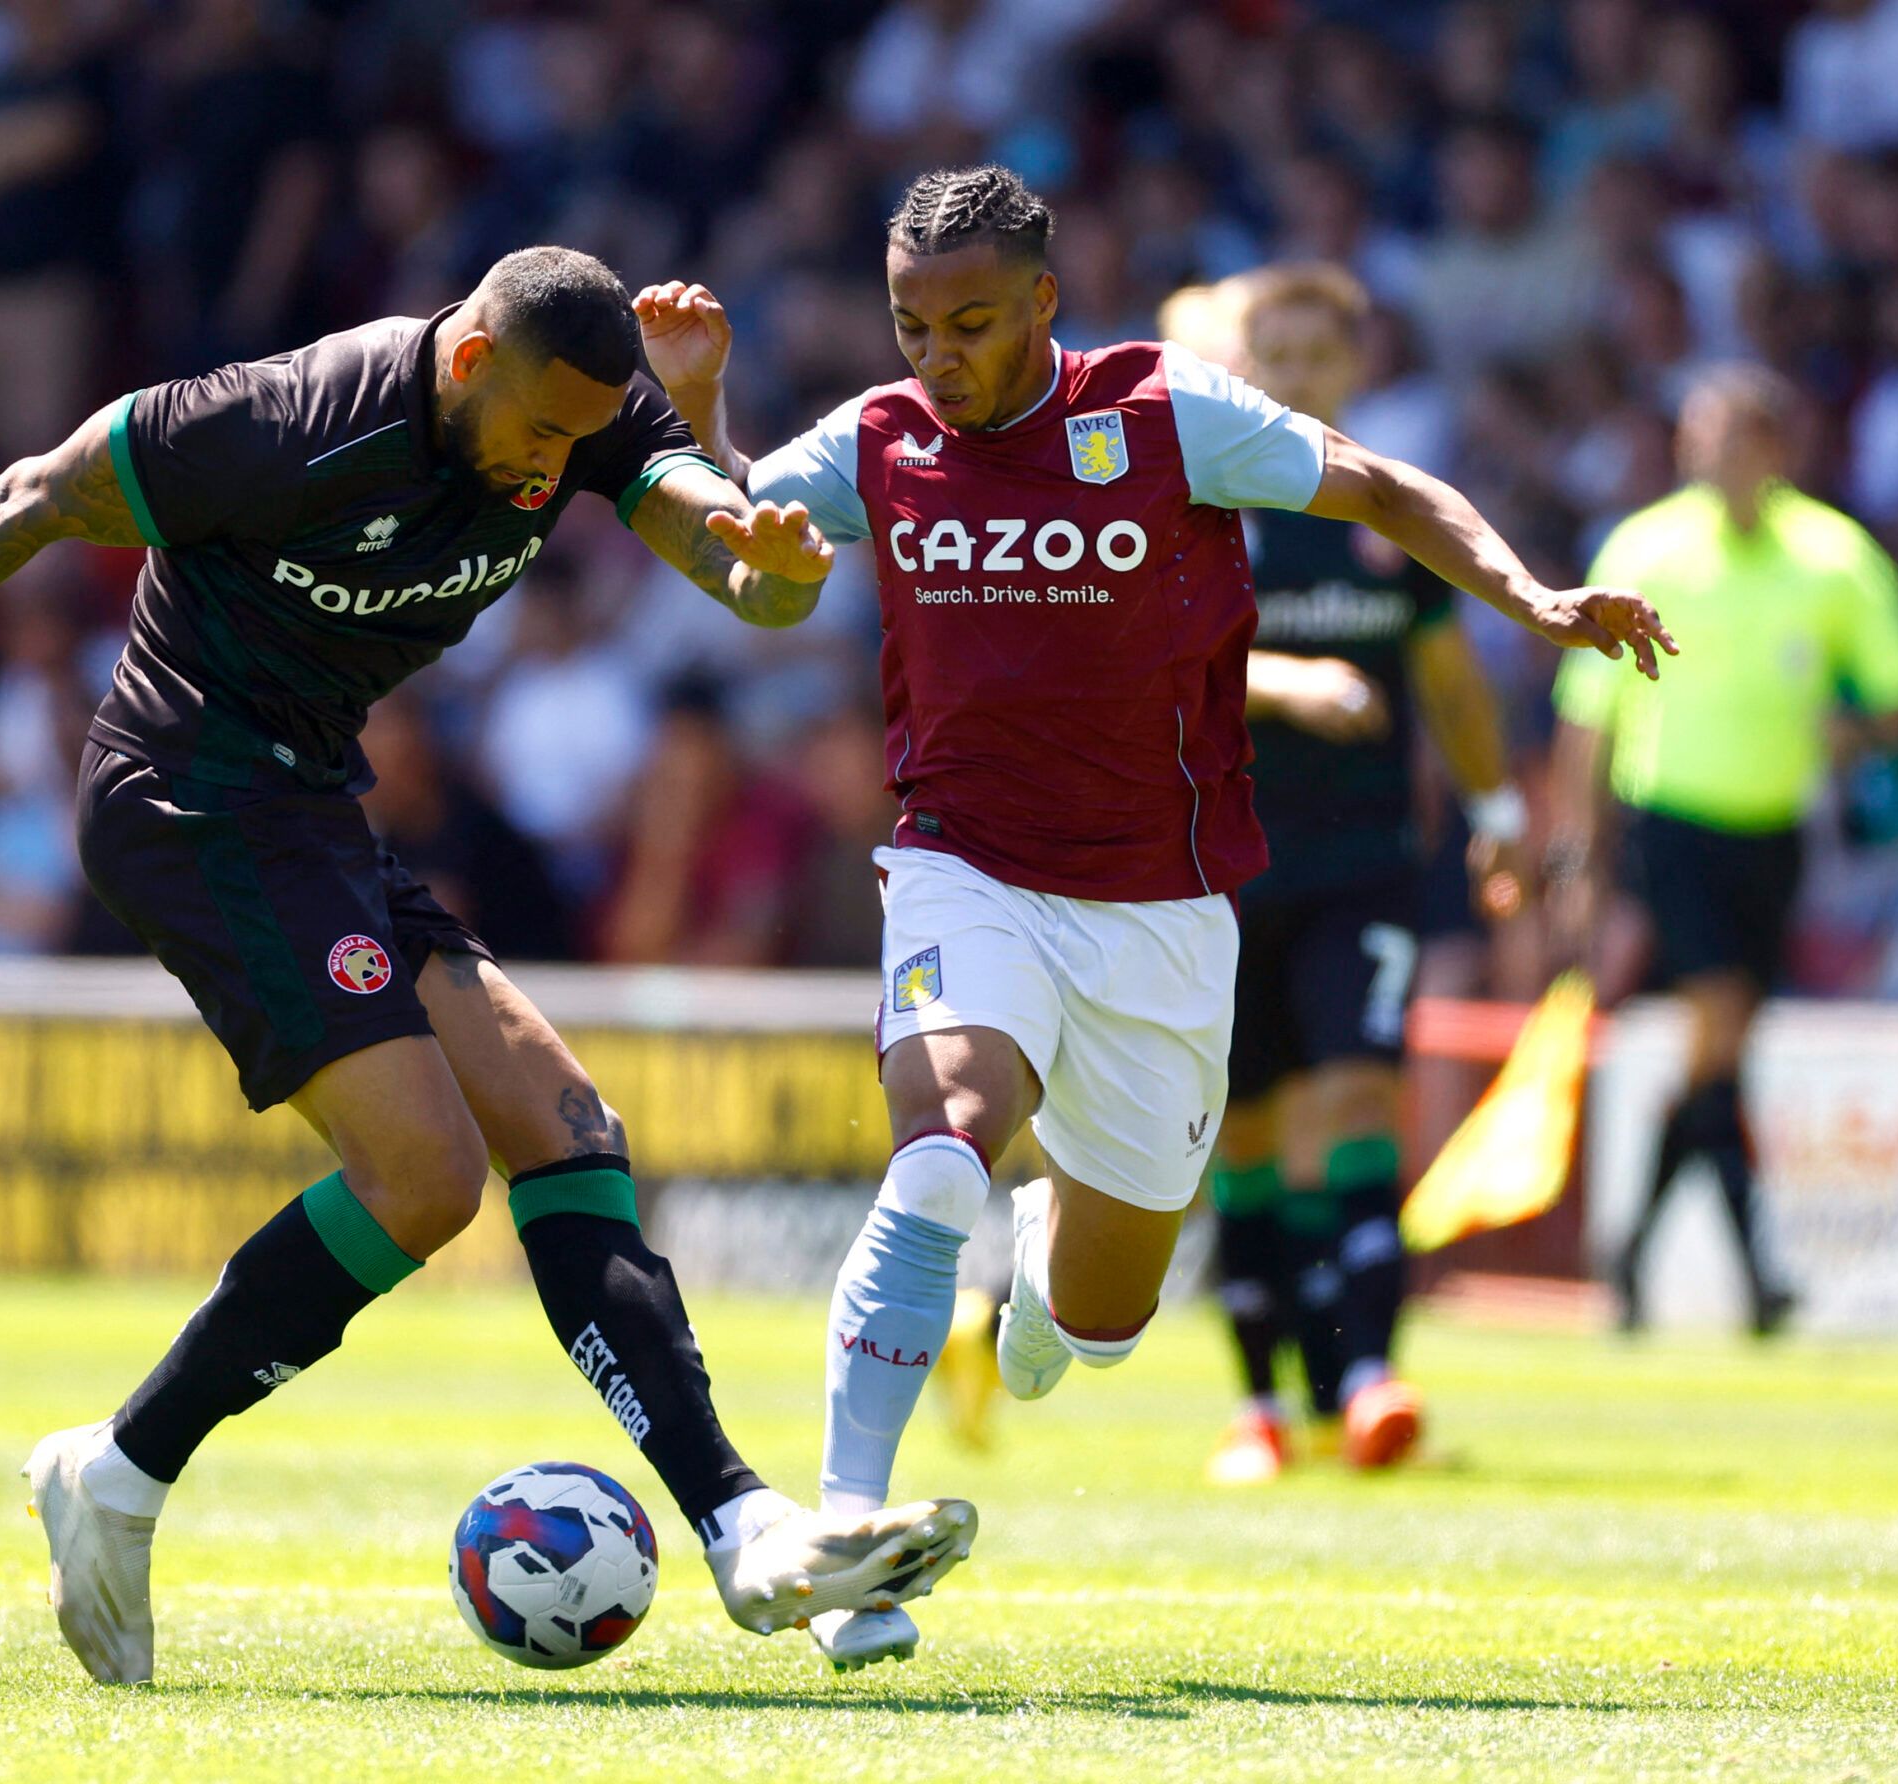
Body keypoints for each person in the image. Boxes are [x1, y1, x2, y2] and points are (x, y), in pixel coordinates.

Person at [0, 245, 976, 1686]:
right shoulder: (285, 419)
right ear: (468, 361)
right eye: (539, 435)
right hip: (186, 793)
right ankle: (121, 1471)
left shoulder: (582, 406)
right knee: (426, 1178)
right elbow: (35, 493)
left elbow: (736, 568)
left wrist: (759, 548)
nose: (552, 471)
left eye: (579, 444)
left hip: (316, 807)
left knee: (566, 1128)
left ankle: (740, 1527)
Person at [636, 163, 1673, 1672]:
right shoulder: (879, 437)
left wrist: (1536, 601)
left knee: (1103, 1322)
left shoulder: (1164, 410)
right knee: (941, 1144)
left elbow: (1381, 487)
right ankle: (842, 1541)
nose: (938, 358)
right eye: (913, 327)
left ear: (1043, 303)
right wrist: (702, 415)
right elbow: (740, 533)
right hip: (963, 867)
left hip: (1160, 913)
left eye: (971, 326)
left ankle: (1044, 1282)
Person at [1205, 263, 1534, 1485]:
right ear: (1243, 366)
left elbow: (1447, 681)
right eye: (1276, 355)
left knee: (1354, 1103)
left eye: (1318, 356)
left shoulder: (1386, 512)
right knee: (1243, 1135)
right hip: (1221, 870)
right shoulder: (1200, 507)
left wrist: (1497, 808)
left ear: (1354, 366)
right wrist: (1287, 683)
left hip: (1364, 866)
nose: (1297, 376)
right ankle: (1260, 1405)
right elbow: (1148, 669)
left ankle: (1366, 1380)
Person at [1549, 364, 1898, 1336]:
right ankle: (1756, 1272)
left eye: (1734, 440)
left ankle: (1635, 1248)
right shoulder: (1646, 547)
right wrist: (1579, 857)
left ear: (1776, 448)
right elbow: (1588, 716)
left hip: (1774, 832)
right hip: (1672, 825)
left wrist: (1851, 731)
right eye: (1701, 440)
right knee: (1719, 1020)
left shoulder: (1832, 556)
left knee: (1721, 1052)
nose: (1715, 458)